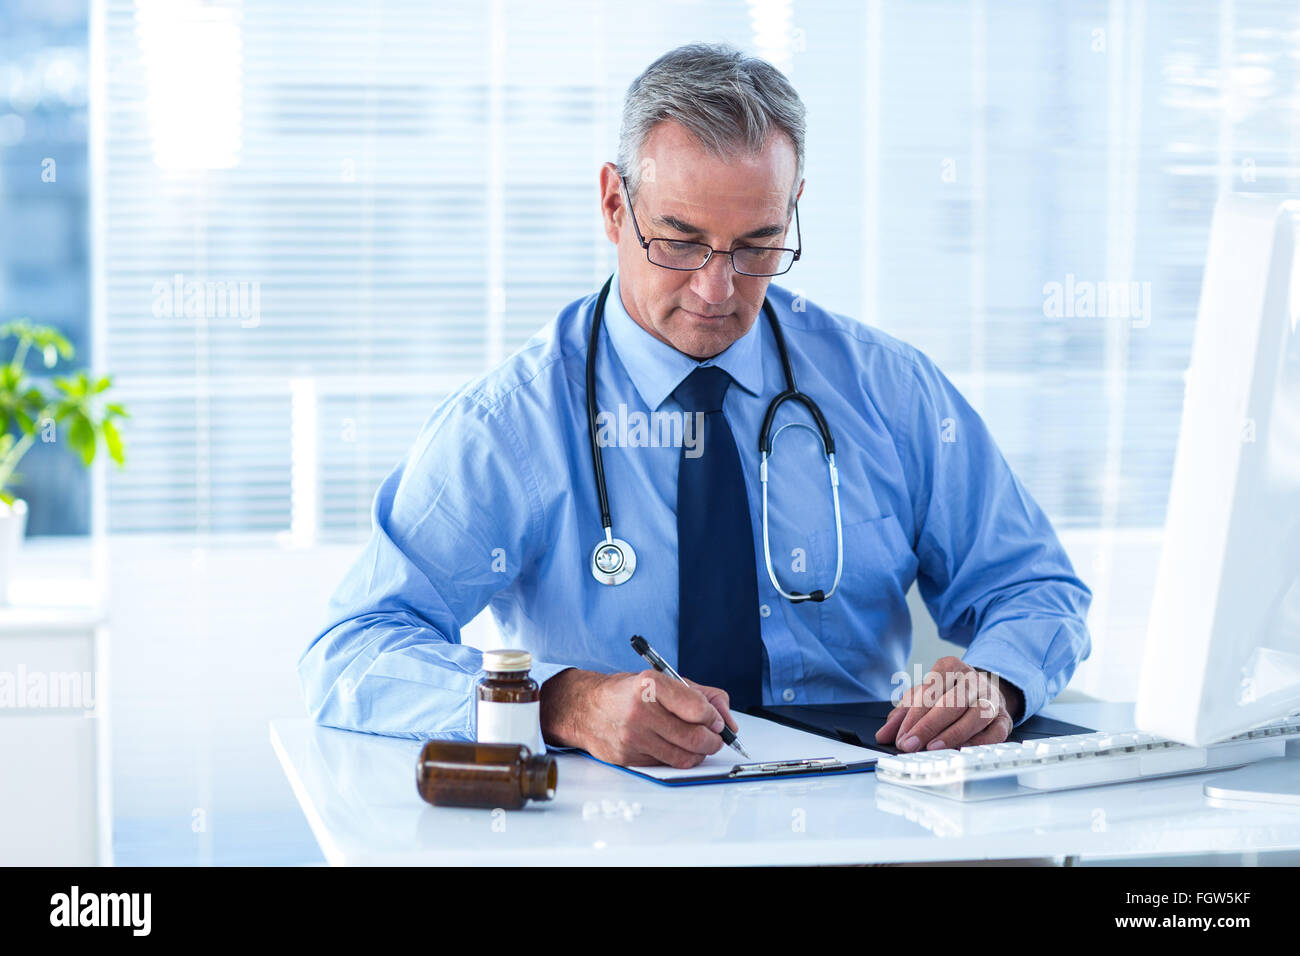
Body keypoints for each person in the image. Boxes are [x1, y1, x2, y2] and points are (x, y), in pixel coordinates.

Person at [298, 42, 1092, 769]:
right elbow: (353, 649)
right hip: (618, 832)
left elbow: (1034, 586)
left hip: (865, 816)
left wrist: (997, 682)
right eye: (678, 241)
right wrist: (564, 703)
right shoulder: (511, 426)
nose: (718, 290)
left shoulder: (889, 391)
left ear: (795, 206)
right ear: (615, 206)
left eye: (757, 245)